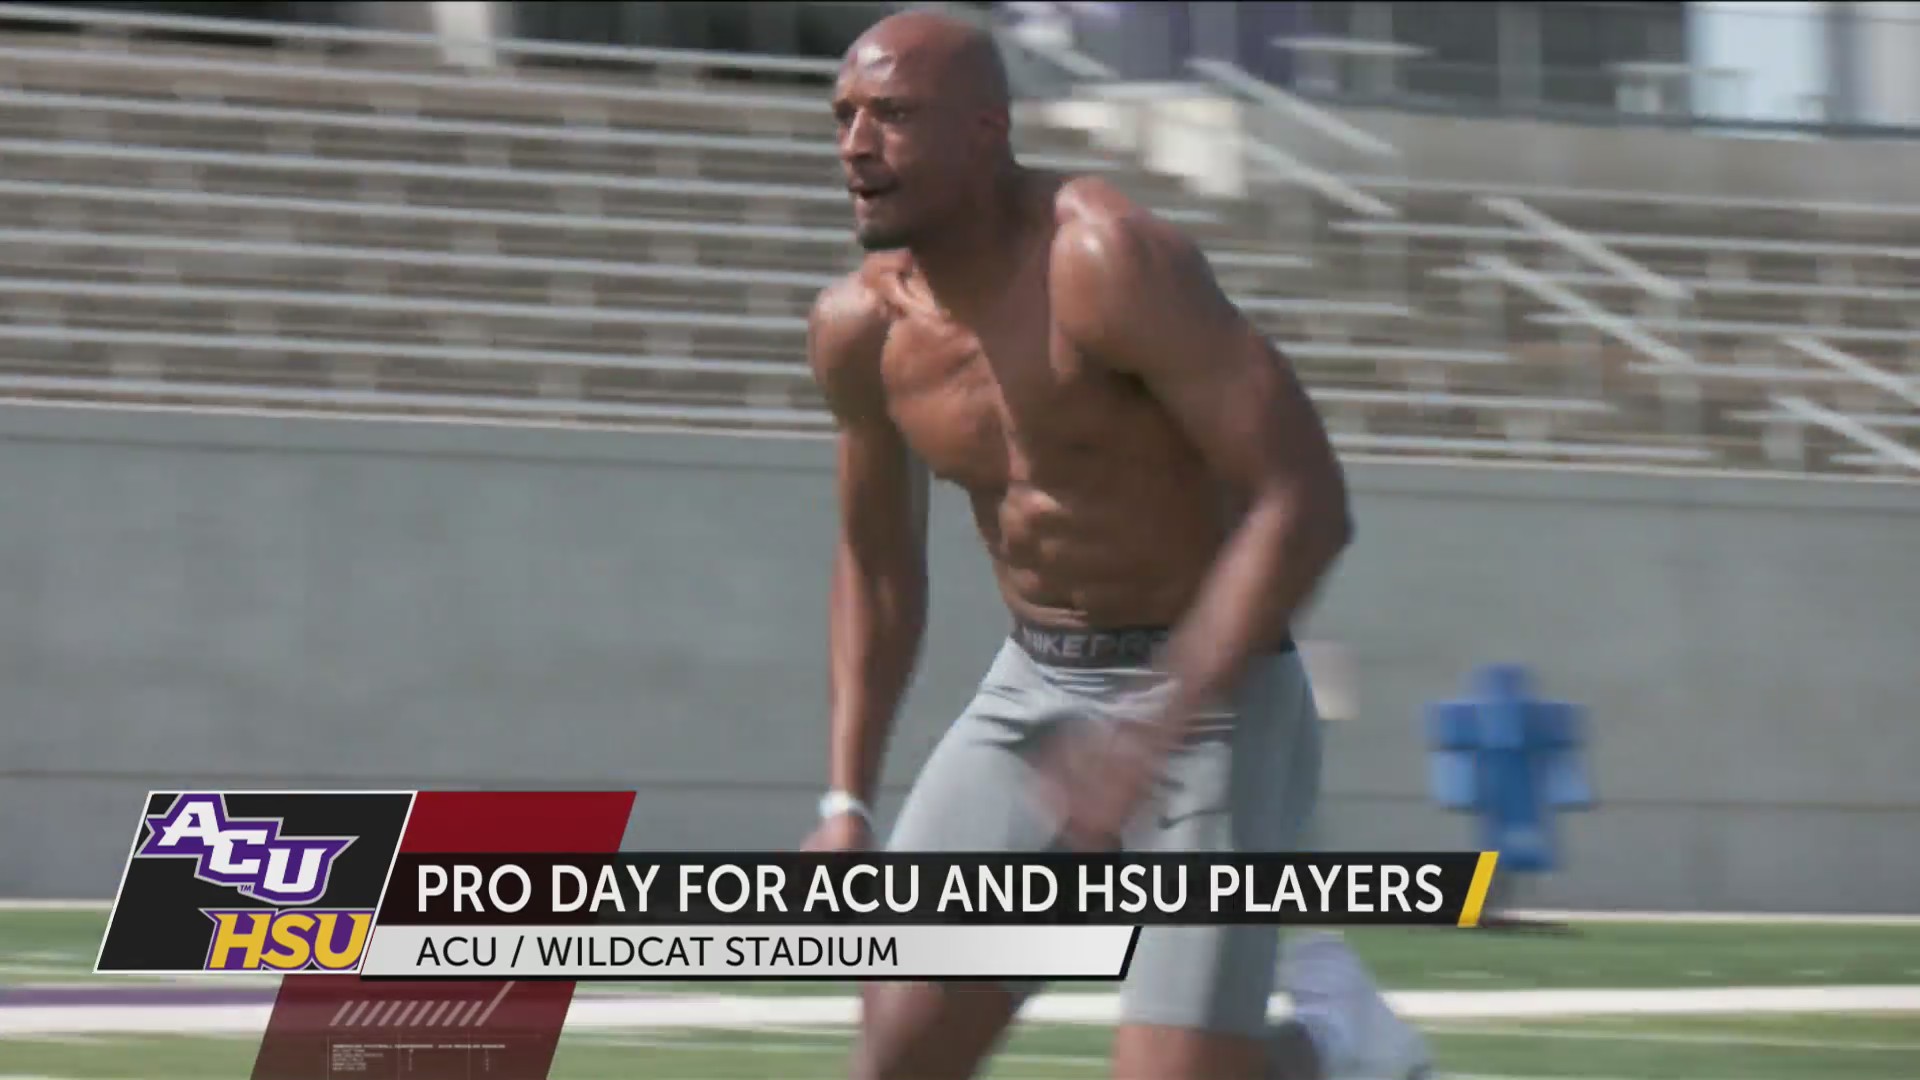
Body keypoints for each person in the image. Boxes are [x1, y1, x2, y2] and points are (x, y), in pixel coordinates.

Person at [799, 10, 1432, 1080]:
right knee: (895, 1062)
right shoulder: (860, 330)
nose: (857, 146)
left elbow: (1306, 500)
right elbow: (876, 566)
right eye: (845, 117)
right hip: (1032, 690)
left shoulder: (1107, 259)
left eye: (895, 116)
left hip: (1212, 701)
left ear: (987, 129)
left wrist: (1149, 734)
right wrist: (845, 800)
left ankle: (1331, 1047)